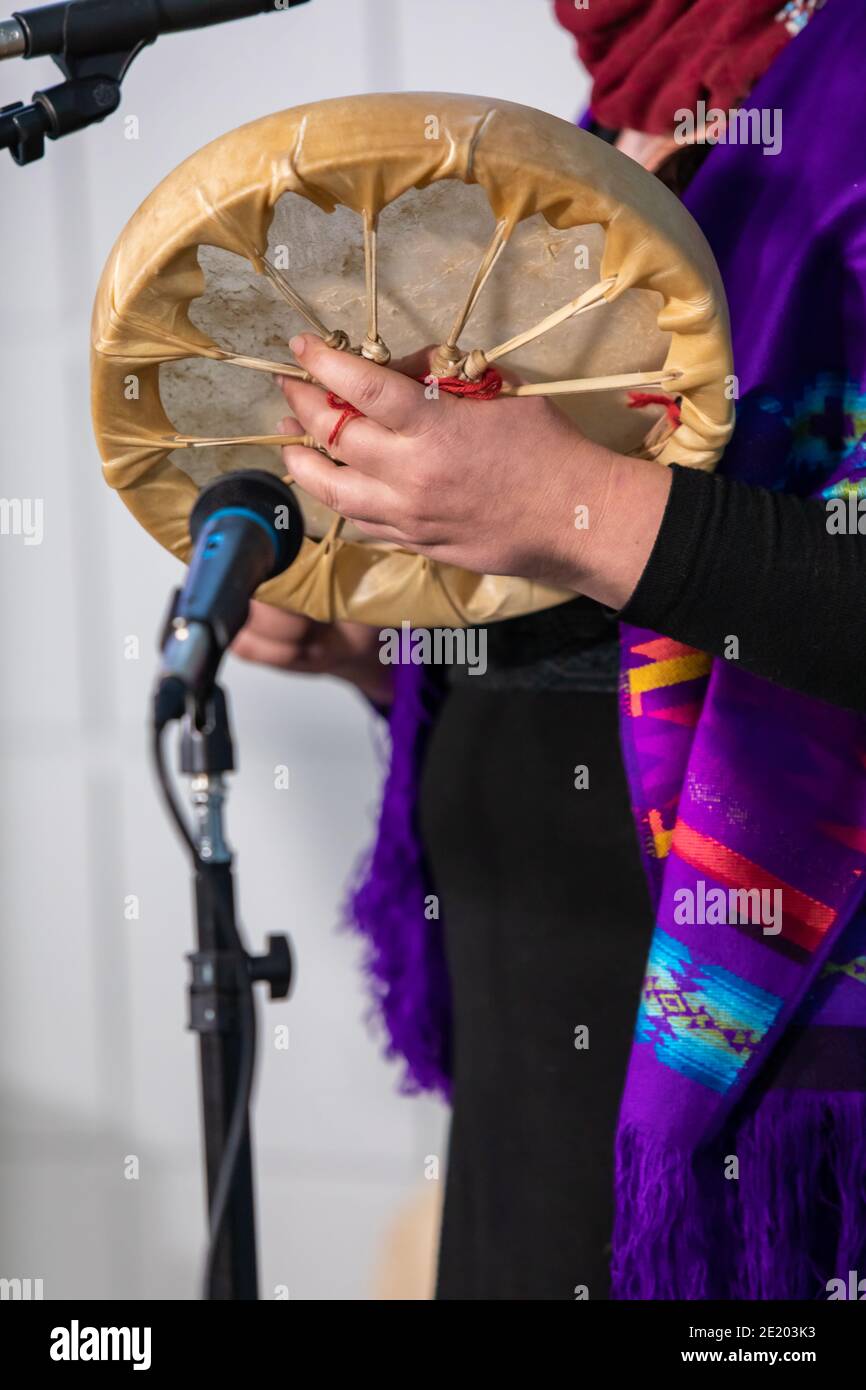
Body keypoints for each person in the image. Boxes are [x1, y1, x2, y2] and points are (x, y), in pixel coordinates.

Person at [234, 0, 866, 1300]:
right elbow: (603, 616)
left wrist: (568, 510)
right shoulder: (614, 112)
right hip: (531, 1042)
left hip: (757, 1114)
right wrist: (375, 640)